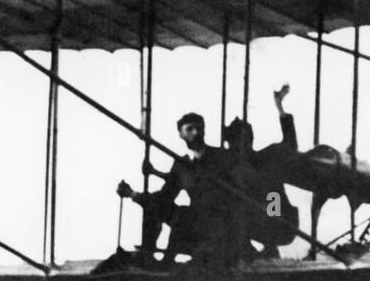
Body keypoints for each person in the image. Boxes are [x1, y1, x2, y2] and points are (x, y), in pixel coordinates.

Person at [115, 112, 241, 266]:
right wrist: (133, 194)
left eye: (199, 128)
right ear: (181, 134)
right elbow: (164, 198)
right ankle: (148, 255)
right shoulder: (182, 165)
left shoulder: (222, 157)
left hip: (221, 224)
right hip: (196, 222)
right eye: (189, 129)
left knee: (182, 214)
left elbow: (244, 191)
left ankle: (167, 263)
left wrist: (270, 211)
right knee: (157, 206)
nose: (196, 132)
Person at [222, 84, 303, 259]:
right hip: (253, 222)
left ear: (250, 141)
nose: (237, 148)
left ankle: (269, 248)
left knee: (269, 186)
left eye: (242, 141)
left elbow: (290, 146)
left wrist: (280, 108)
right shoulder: (229, 167)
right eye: (234, 143)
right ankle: (249, 254)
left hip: (280, 222)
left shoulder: (267, 158)